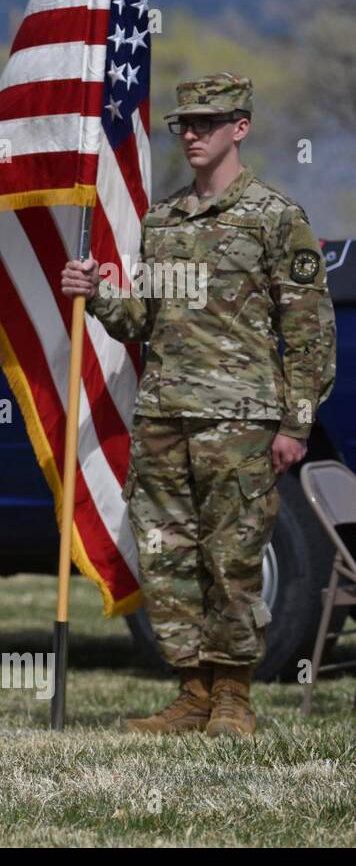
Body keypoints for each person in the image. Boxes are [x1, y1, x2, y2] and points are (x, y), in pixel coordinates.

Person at [61, 74, 337, 736]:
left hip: (238, 421)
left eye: (207, 123)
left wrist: (295, 423)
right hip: (163, 417)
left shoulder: (276, 217)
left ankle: (234, 699)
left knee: (234, 557)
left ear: (240, 127)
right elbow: (139, 321)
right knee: (166, 557)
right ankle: (190, 692)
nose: (191, 133)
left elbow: (309, 331)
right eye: (185, 123)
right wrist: (97, 292)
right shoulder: (165, 219)